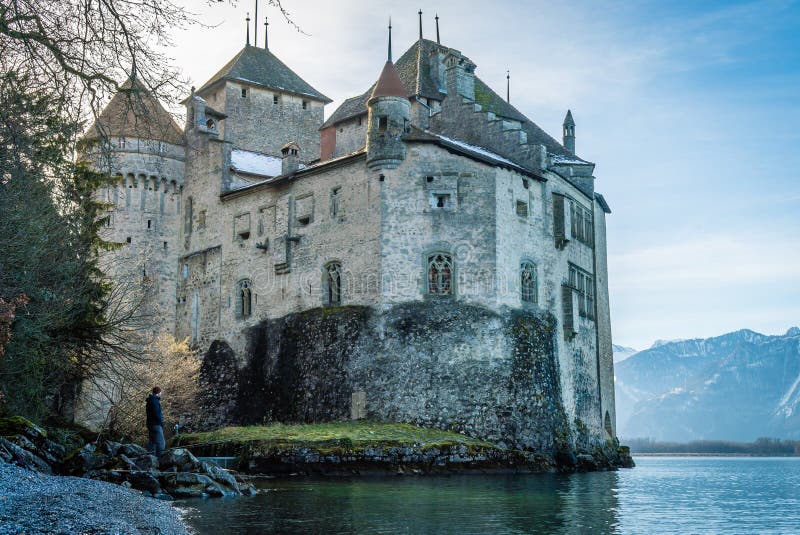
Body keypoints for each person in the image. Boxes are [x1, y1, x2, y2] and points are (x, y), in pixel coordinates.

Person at [145, 386, 165, 455]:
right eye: (160, 392)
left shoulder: (150, 400)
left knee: (152, 443)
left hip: (150, 424)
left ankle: (150, 460)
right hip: (156, 425)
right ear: (158, 392)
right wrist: (161, 422)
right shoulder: (155, 401)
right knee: (161, 444)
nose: (161, 394)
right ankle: (160, 461)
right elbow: (156, 414)